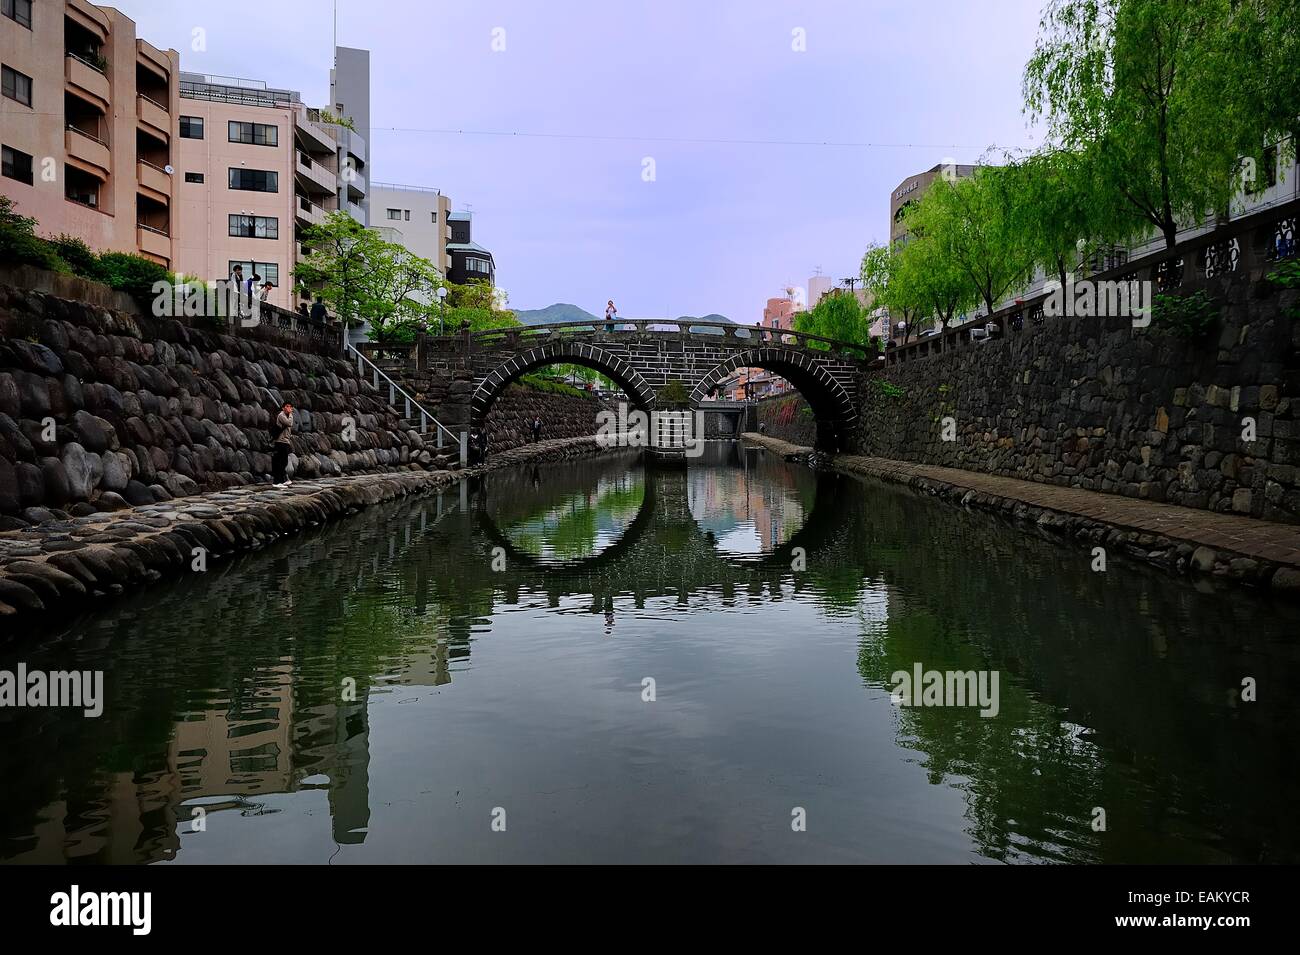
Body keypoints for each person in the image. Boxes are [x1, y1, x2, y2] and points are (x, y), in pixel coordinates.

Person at [272, 402, 294, 486]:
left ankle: (282, 480)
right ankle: (277, 482)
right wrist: (291, 414)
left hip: (285, 441)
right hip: (280, 441)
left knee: (284, 462)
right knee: (280, 462)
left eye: (290, 406)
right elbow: (289, 423)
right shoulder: (281, 416)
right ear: (283, 408)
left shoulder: (288, 416)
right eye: (287, 406)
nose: (289, 408)